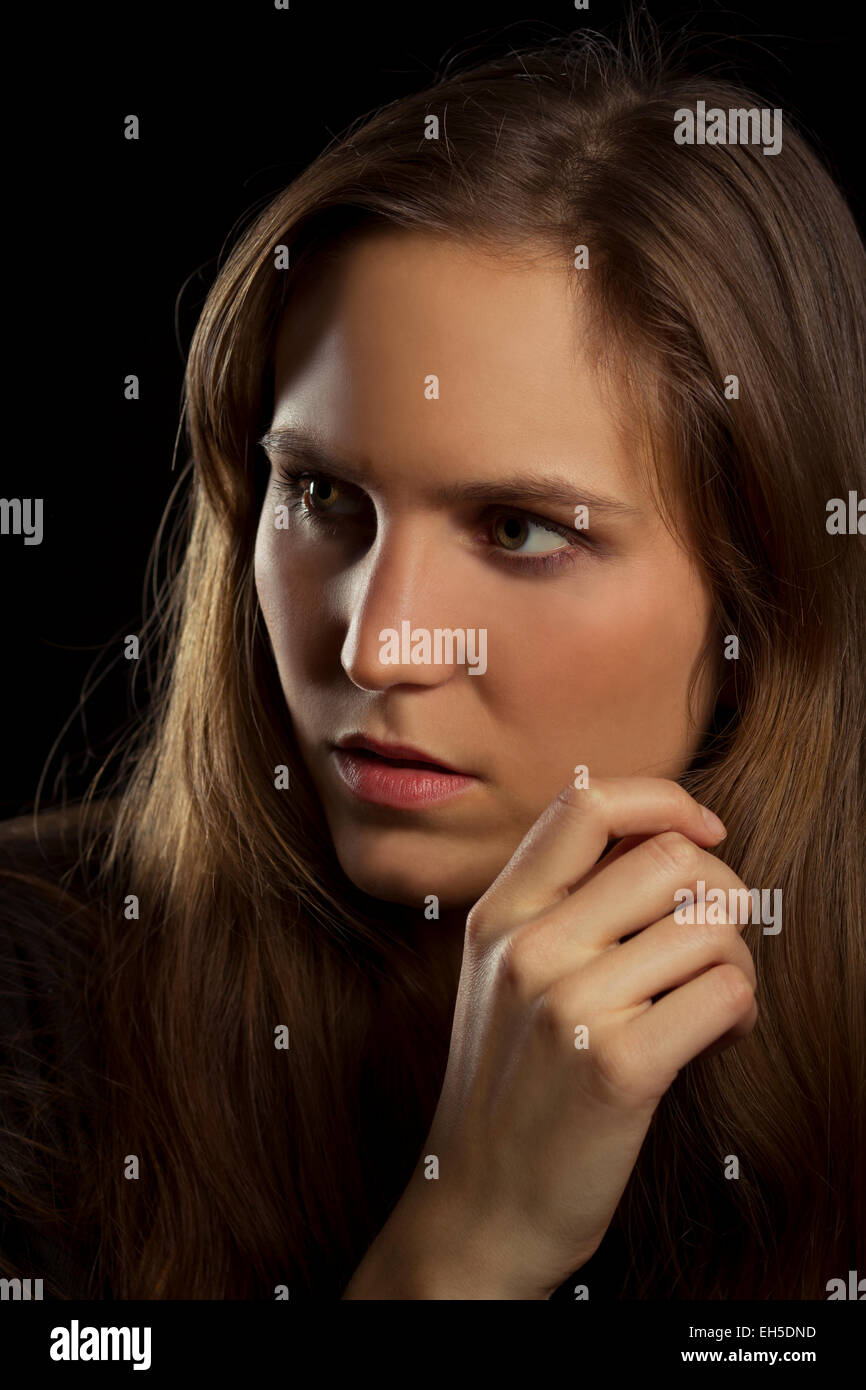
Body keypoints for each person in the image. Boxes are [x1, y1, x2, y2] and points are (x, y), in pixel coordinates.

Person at [2, 19, 864, 1300]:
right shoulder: (26, 991)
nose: (380, 640)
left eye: (519, 530)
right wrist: (463, 1252)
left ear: (759, 604)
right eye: (323, 497)